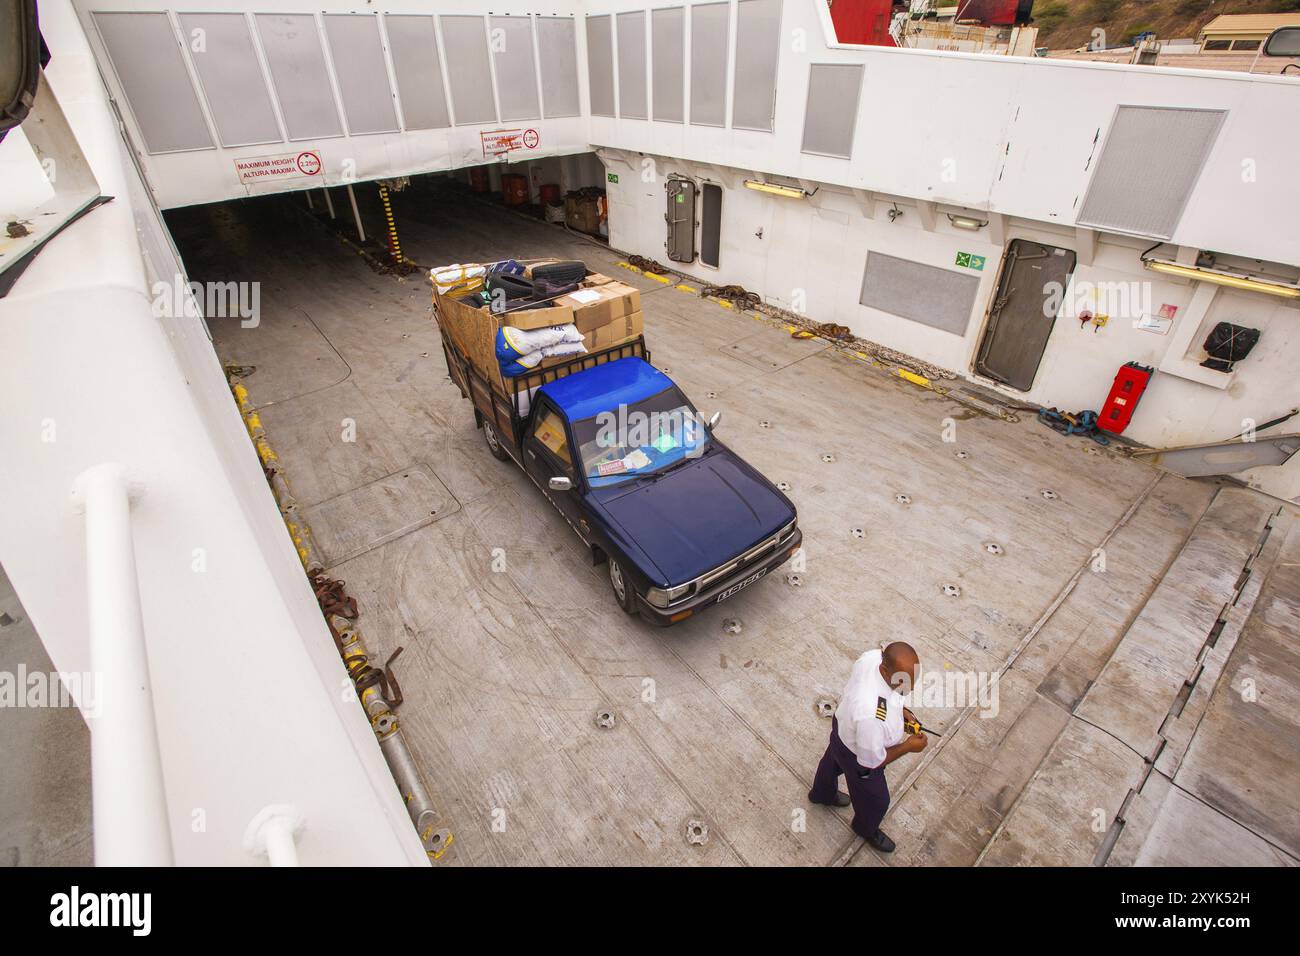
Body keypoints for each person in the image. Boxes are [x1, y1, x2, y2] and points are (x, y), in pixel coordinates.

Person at [808, 641, 928, 853]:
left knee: (832, 761)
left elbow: (887, 696)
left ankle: (821, 794)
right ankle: (864, 828)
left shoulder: (872, 658)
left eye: (913, 679)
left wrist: (901, 711)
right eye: (904, 682)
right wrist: (908, 746)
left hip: (842, 727)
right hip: (857, 752)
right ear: (884, 670)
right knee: (877, 801)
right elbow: (872, 761)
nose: (911, 687)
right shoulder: (871, 715)